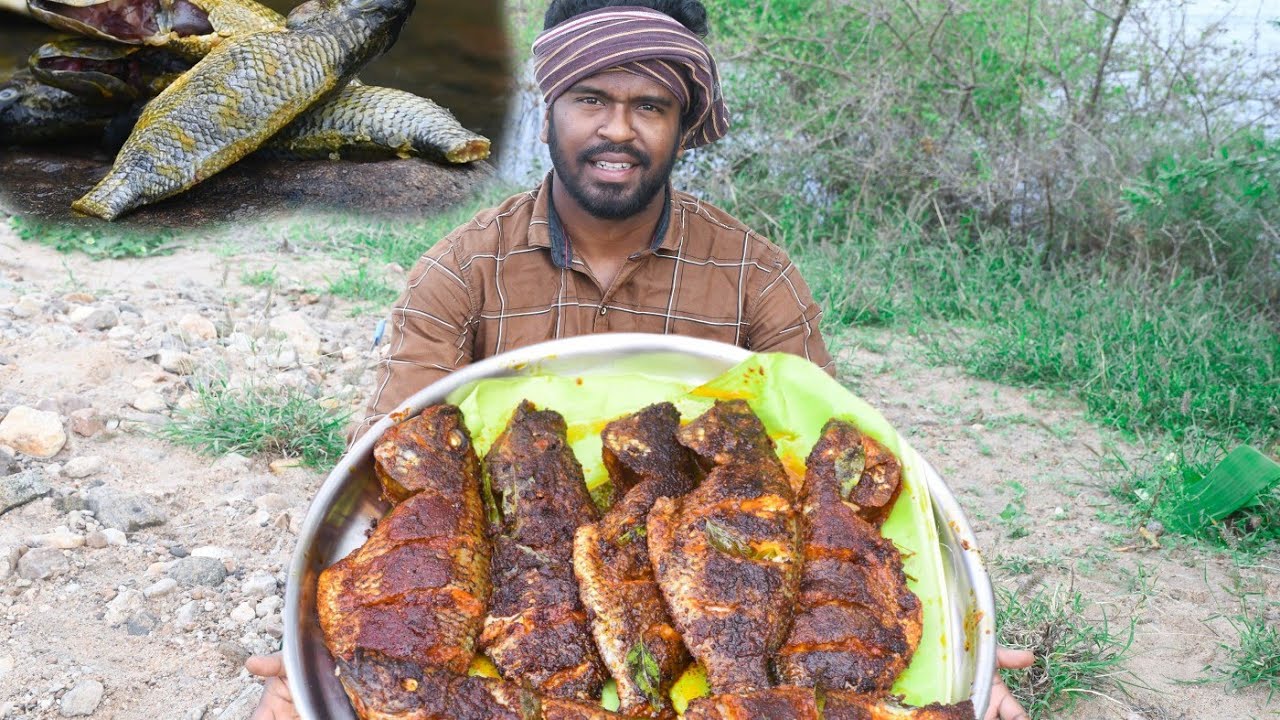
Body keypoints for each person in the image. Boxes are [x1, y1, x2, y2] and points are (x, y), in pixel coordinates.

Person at [248, 1, 1035, 718]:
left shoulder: (755, 275)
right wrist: (336, 654)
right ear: (549, 110)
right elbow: (392, 463)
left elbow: (839, 464)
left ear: (683, 125)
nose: (618, 129)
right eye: (592, 99)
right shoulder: (460, 269)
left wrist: (958, 659)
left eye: (649, 106)